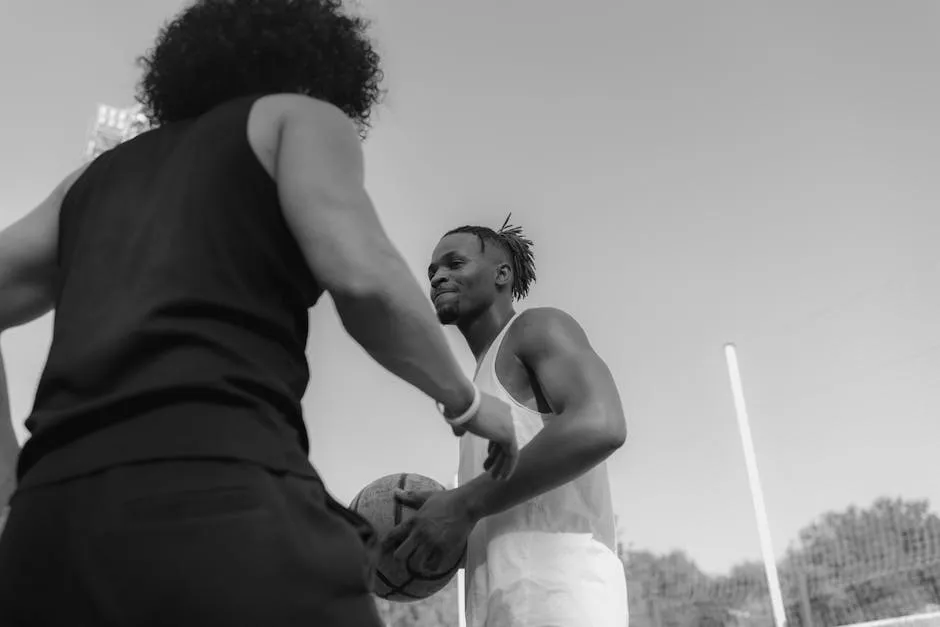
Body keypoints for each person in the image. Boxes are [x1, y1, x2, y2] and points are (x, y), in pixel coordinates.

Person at [0, 1, 519, 625]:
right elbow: (365, 281)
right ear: (323, 72)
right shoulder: (295, 117)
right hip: (221, 500)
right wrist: (467, 404)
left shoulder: (89, 179)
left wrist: (12, 488)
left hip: (47, 535)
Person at [385, 217, 629, 626]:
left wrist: (464, 503)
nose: (438, 277)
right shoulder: (479, 390)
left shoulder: (536, 327)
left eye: (454, 263)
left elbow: (601, 423)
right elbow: (516, 504)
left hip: (564, 608)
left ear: (502, 273)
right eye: (432, 271)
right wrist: (450, 523)